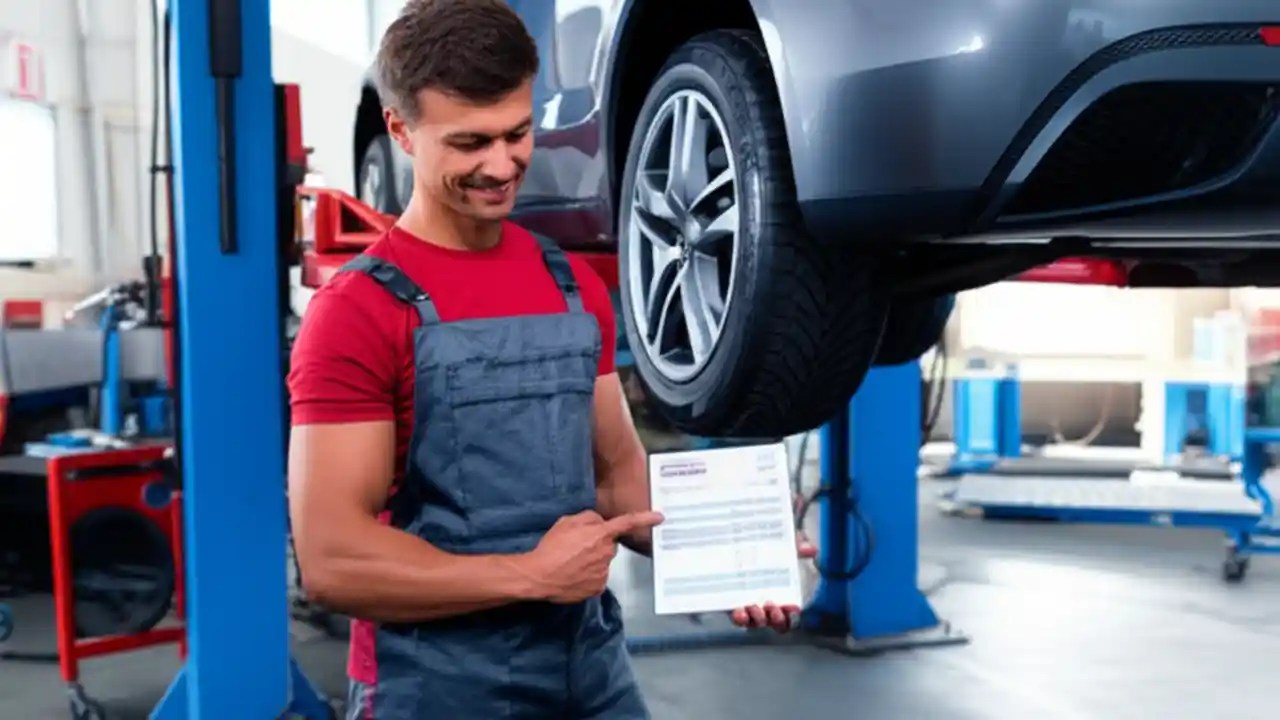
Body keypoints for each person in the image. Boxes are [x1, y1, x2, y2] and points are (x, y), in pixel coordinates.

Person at [286, 1, 814, 717]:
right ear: (401, 131)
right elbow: (333, 560)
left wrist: (732, 549)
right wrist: (531, 575)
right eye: (470, 143)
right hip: (437, 686)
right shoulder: (358, 311)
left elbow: (615, 482)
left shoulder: (567, 284)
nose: (502, 166)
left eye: (517, 133)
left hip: (587, 669)